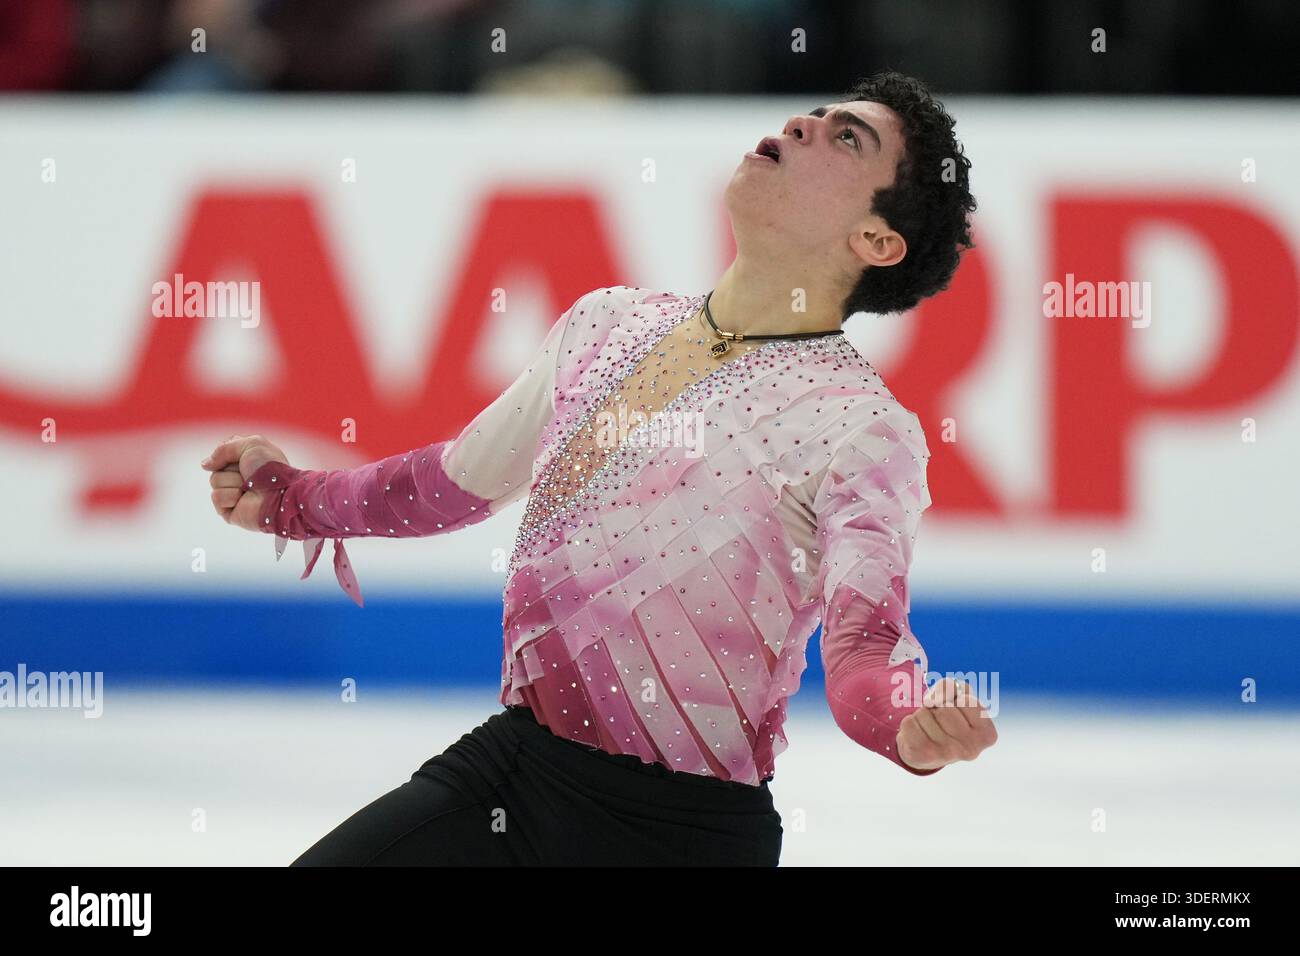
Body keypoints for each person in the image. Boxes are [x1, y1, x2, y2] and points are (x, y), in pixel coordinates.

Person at [200, 71, 997, 866]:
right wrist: (294, 499)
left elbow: (864, 647)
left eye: (847, 137)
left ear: (876, 241)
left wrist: (910, 725)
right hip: (512, 777)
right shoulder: (608, 325)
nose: (803, 124)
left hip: (681, 837)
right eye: (818, 112)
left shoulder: (860, 426)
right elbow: (452, 482)